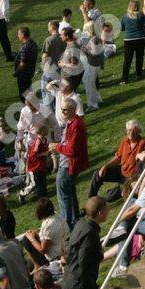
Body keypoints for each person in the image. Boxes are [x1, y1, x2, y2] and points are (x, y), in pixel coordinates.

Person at [49, 99, 88, 231]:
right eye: (61, 109)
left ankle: (68, 225)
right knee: (70, 193)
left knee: (63, 195)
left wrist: (57, 147)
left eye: (65, 109)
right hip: (69, 164)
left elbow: (71, 150)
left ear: (73, 110)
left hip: (68, 165)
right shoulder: (73, 123)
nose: (62, 112)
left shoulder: (76, 124)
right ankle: (74, 220)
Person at [88, 122, 145, 200]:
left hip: (132, 177)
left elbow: (144, 164)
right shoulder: (124, 141)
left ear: (139, 132)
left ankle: (115, 191)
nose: (131, 133)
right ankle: (91, 201)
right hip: (121, 171)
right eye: (129, 130)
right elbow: (118, 157)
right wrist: (105, 166)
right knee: (97, 175)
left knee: (110, 197)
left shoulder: (143, 143)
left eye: (134, 131)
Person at [21, 198, 69, 268]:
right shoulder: (56, 215)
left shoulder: (49, 225)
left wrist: (32, 238)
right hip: (64, 247)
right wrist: (36, 233)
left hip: (57, 256)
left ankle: (36, 265)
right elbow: (50, 235)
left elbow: (42, 250)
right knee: (29, 237)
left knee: (26, 240)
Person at [119, 1, 145, 84]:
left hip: (129, 39)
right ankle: (139, 74)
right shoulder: (141, 15)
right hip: (140, 38)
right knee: (139, 57)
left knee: (127, 60)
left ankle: (124, 79)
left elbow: (122, 28)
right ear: (137, 6)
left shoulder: (125, 16)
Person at [13, 27, 38, 101]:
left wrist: (16, 73)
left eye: (19, 34)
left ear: (23, 35)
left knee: (24, 95)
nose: (18, 36)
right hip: (30, 72)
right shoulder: (33, 43)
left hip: (23, 75)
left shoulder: (25, 47)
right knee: (28, 91)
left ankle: (27, 108)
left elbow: (22, 64)